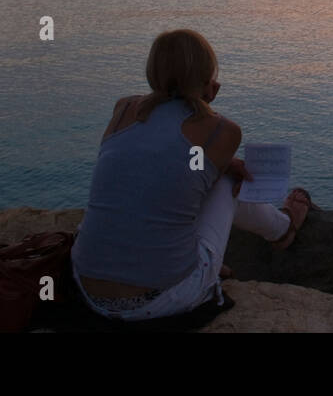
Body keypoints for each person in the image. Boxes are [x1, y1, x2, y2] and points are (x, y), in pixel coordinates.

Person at [71, 29, 311, 321]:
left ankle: (189, 259)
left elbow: (163, 168)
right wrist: (207, 105)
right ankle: (282, 230)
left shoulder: (122, 109)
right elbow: (190, 152)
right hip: (159, 300)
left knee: (186, 177)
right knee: (225, 180)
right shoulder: (223, 131)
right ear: (207, 76)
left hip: (88, 289)